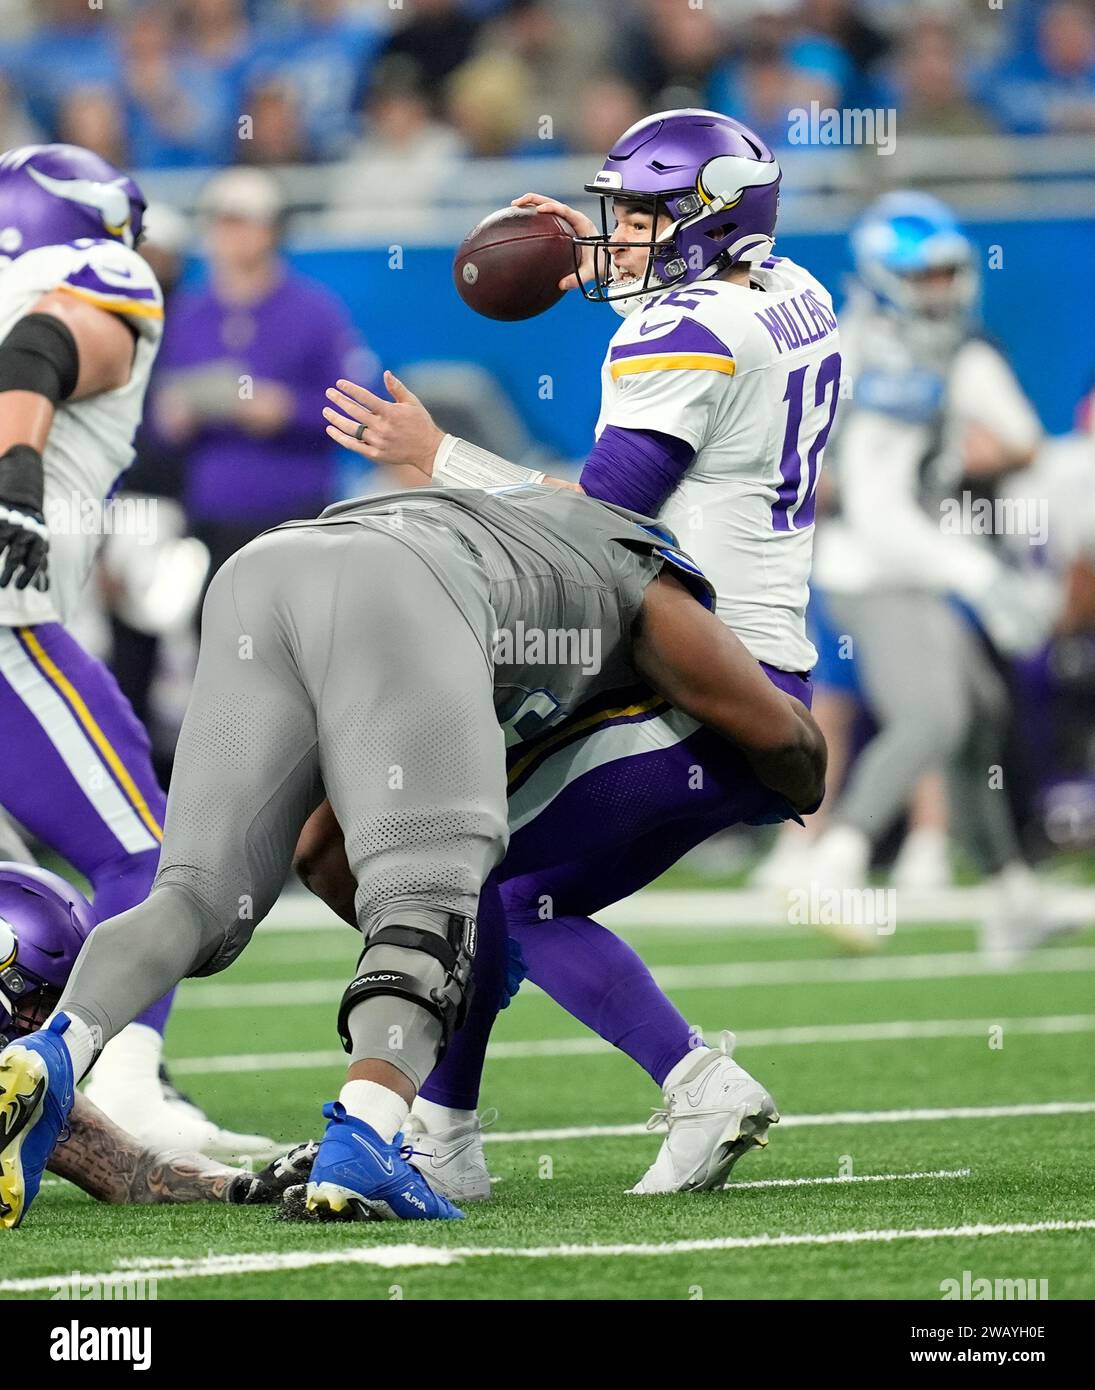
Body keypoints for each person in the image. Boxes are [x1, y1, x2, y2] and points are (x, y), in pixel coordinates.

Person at [0, 482, 825, 1229]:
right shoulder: (649, 583)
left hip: (264, 570)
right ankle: (367, 1138)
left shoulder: (526, 530)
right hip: (400, 586)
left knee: (195, 895)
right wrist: (781, 791)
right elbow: (787, 734)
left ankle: (54, 1051)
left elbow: (324, 851)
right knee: (426, 890)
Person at [314, 108, 840, 1197]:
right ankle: (445, 1135)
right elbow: (714, 324)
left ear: (706, 221)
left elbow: (602, 537)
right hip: (761, 666)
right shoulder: (795, 292)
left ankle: (696, 1083)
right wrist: (614, 253)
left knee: (494, 887)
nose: (620, 237)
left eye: (644, 216)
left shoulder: (678, 331)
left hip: (696, 677)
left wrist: (434, 456)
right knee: (501, 883)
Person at [0, 142, 266, 1159]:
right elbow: (41, 346)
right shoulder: (92, 279)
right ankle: (124, 1081)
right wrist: (19, 469)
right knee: (158, 863)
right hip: (9, 618)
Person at [806, 192, 1059, 957]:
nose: (941, 289)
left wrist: (971, 460)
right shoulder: (875, 356)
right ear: (885, 279)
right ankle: (833, 862)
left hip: (913, 560)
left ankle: (1012, 895)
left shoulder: (950, 350)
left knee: (976, 714)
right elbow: (879, 511)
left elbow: (1017, 437)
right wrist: (976, 574)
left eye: (949, 272)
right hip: (872, 566)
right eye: (924, 275)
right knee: (932, 718)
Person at [0, 862, 315, 1211]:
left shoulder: (19, 1083)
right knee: (142, 855)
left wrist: (245, 1186)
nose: (51, 1025)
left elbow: (132, 1171)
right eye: (41, 1005)